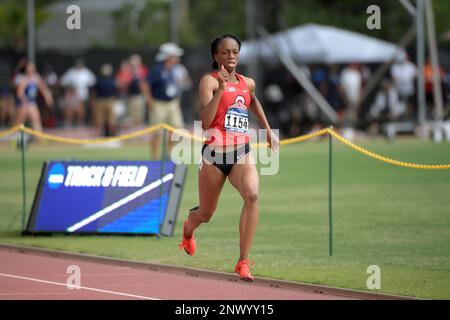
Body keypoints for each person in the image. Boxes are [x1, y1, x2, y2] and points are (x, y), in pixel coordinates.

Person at [179, 34, 279, 282]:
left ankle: (243, 261)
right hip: (214, 154)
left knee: (252, 196)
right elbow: (204, 121)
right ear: (216, 56)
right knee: (206, 214)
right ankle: (188, 229)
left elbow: (252, 101)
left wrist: (267, 129)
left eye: (235, 52)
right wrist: (221, 90)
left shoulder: (248, 82)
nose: (231, 56)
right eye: (225, 52)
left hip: (241, 151)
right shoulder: (208, 82)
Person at [142, 43, 186, 159]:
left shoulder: (174, 70)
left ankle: (168, 154)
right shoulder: (157, 70)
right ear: (168, 57)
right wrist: (149, 100)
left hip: (171, 103)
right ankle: (155, 158)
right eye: (175, 56)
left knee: (176, 129)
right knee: (157, 132)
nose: (177, 58)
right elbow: (145, 84)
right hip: (158, 103)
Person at [14, 62, 53, 136]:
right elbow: (20, 93)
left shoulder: (36, 78)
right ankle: (14, 136)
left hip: (32, 103)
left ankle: (39, 137)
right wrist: (25, 101)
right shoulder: (24, 79)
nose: (31, 72)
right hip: (24, 104)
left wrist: (48, 97)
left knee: (36, 120)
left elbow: (43, 88)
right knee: (20, 121)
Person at [60, 58, 96, 126]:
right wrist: (70, 88)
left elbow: (92, 82)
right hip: (72, 95)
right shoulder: (71, 72)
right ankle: (69, 123)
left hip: (83, 95)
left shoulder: (86, 72)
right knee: (70, 109)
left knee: (80, 110)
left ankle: (80, 123)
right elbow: (63, 81)